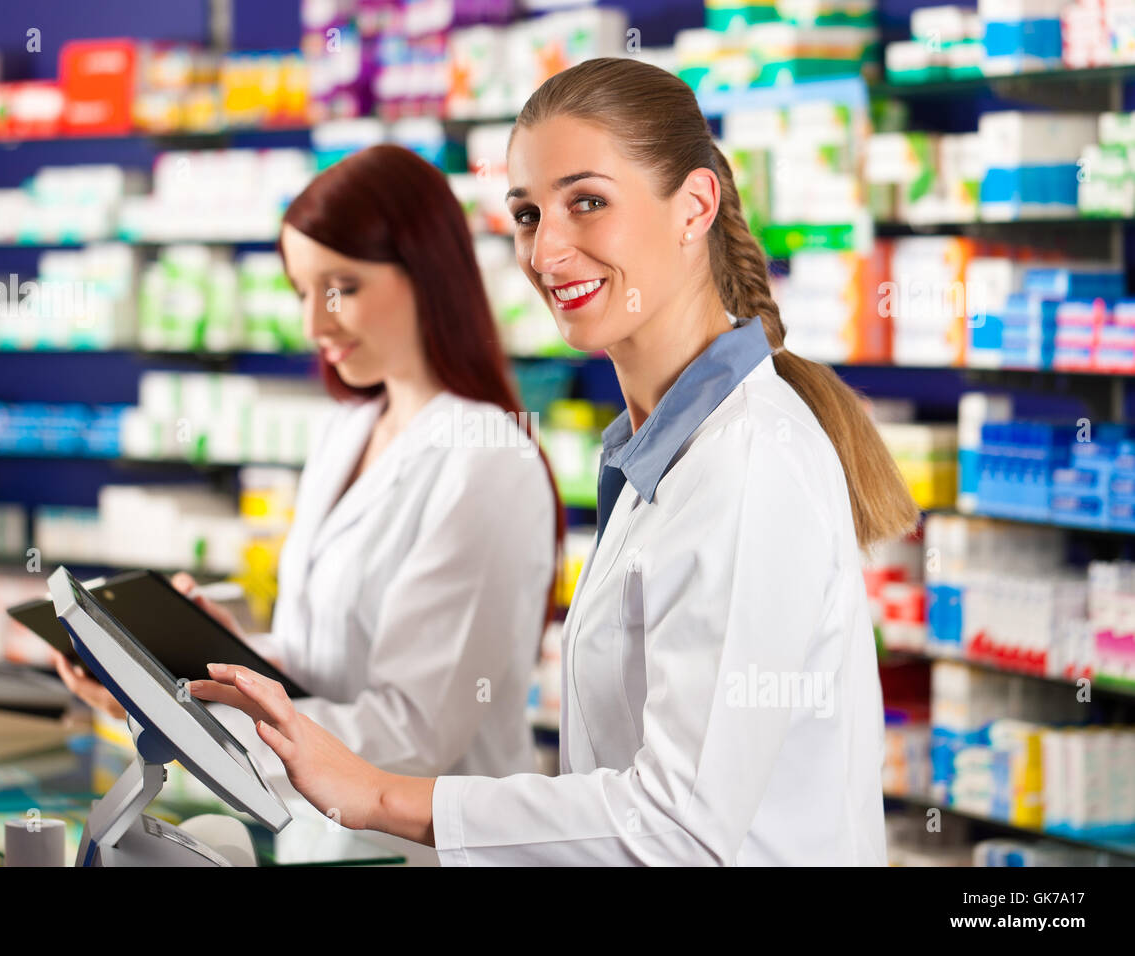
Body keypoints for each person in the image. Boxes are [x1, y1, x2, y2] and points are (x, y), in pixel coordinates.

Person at [192, 57, 919, 864]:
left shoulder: (749, 462)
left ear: (694, 207)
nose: (547, 251)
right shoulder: (659, 455)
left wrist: (382, 795)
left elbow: (681, 825)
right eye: (529, 215)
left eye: (588, 203)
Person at [57, 143, 563, 780]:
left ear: (426, 270)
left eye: (341, 287)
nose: (313, 324)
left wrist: (196, 717)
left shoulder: (490, 460)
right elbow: (320, 667)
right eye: (302, 290)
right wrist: (219, 660)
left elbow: (414, 736)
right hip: (313, 833)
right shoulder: (346, 432)